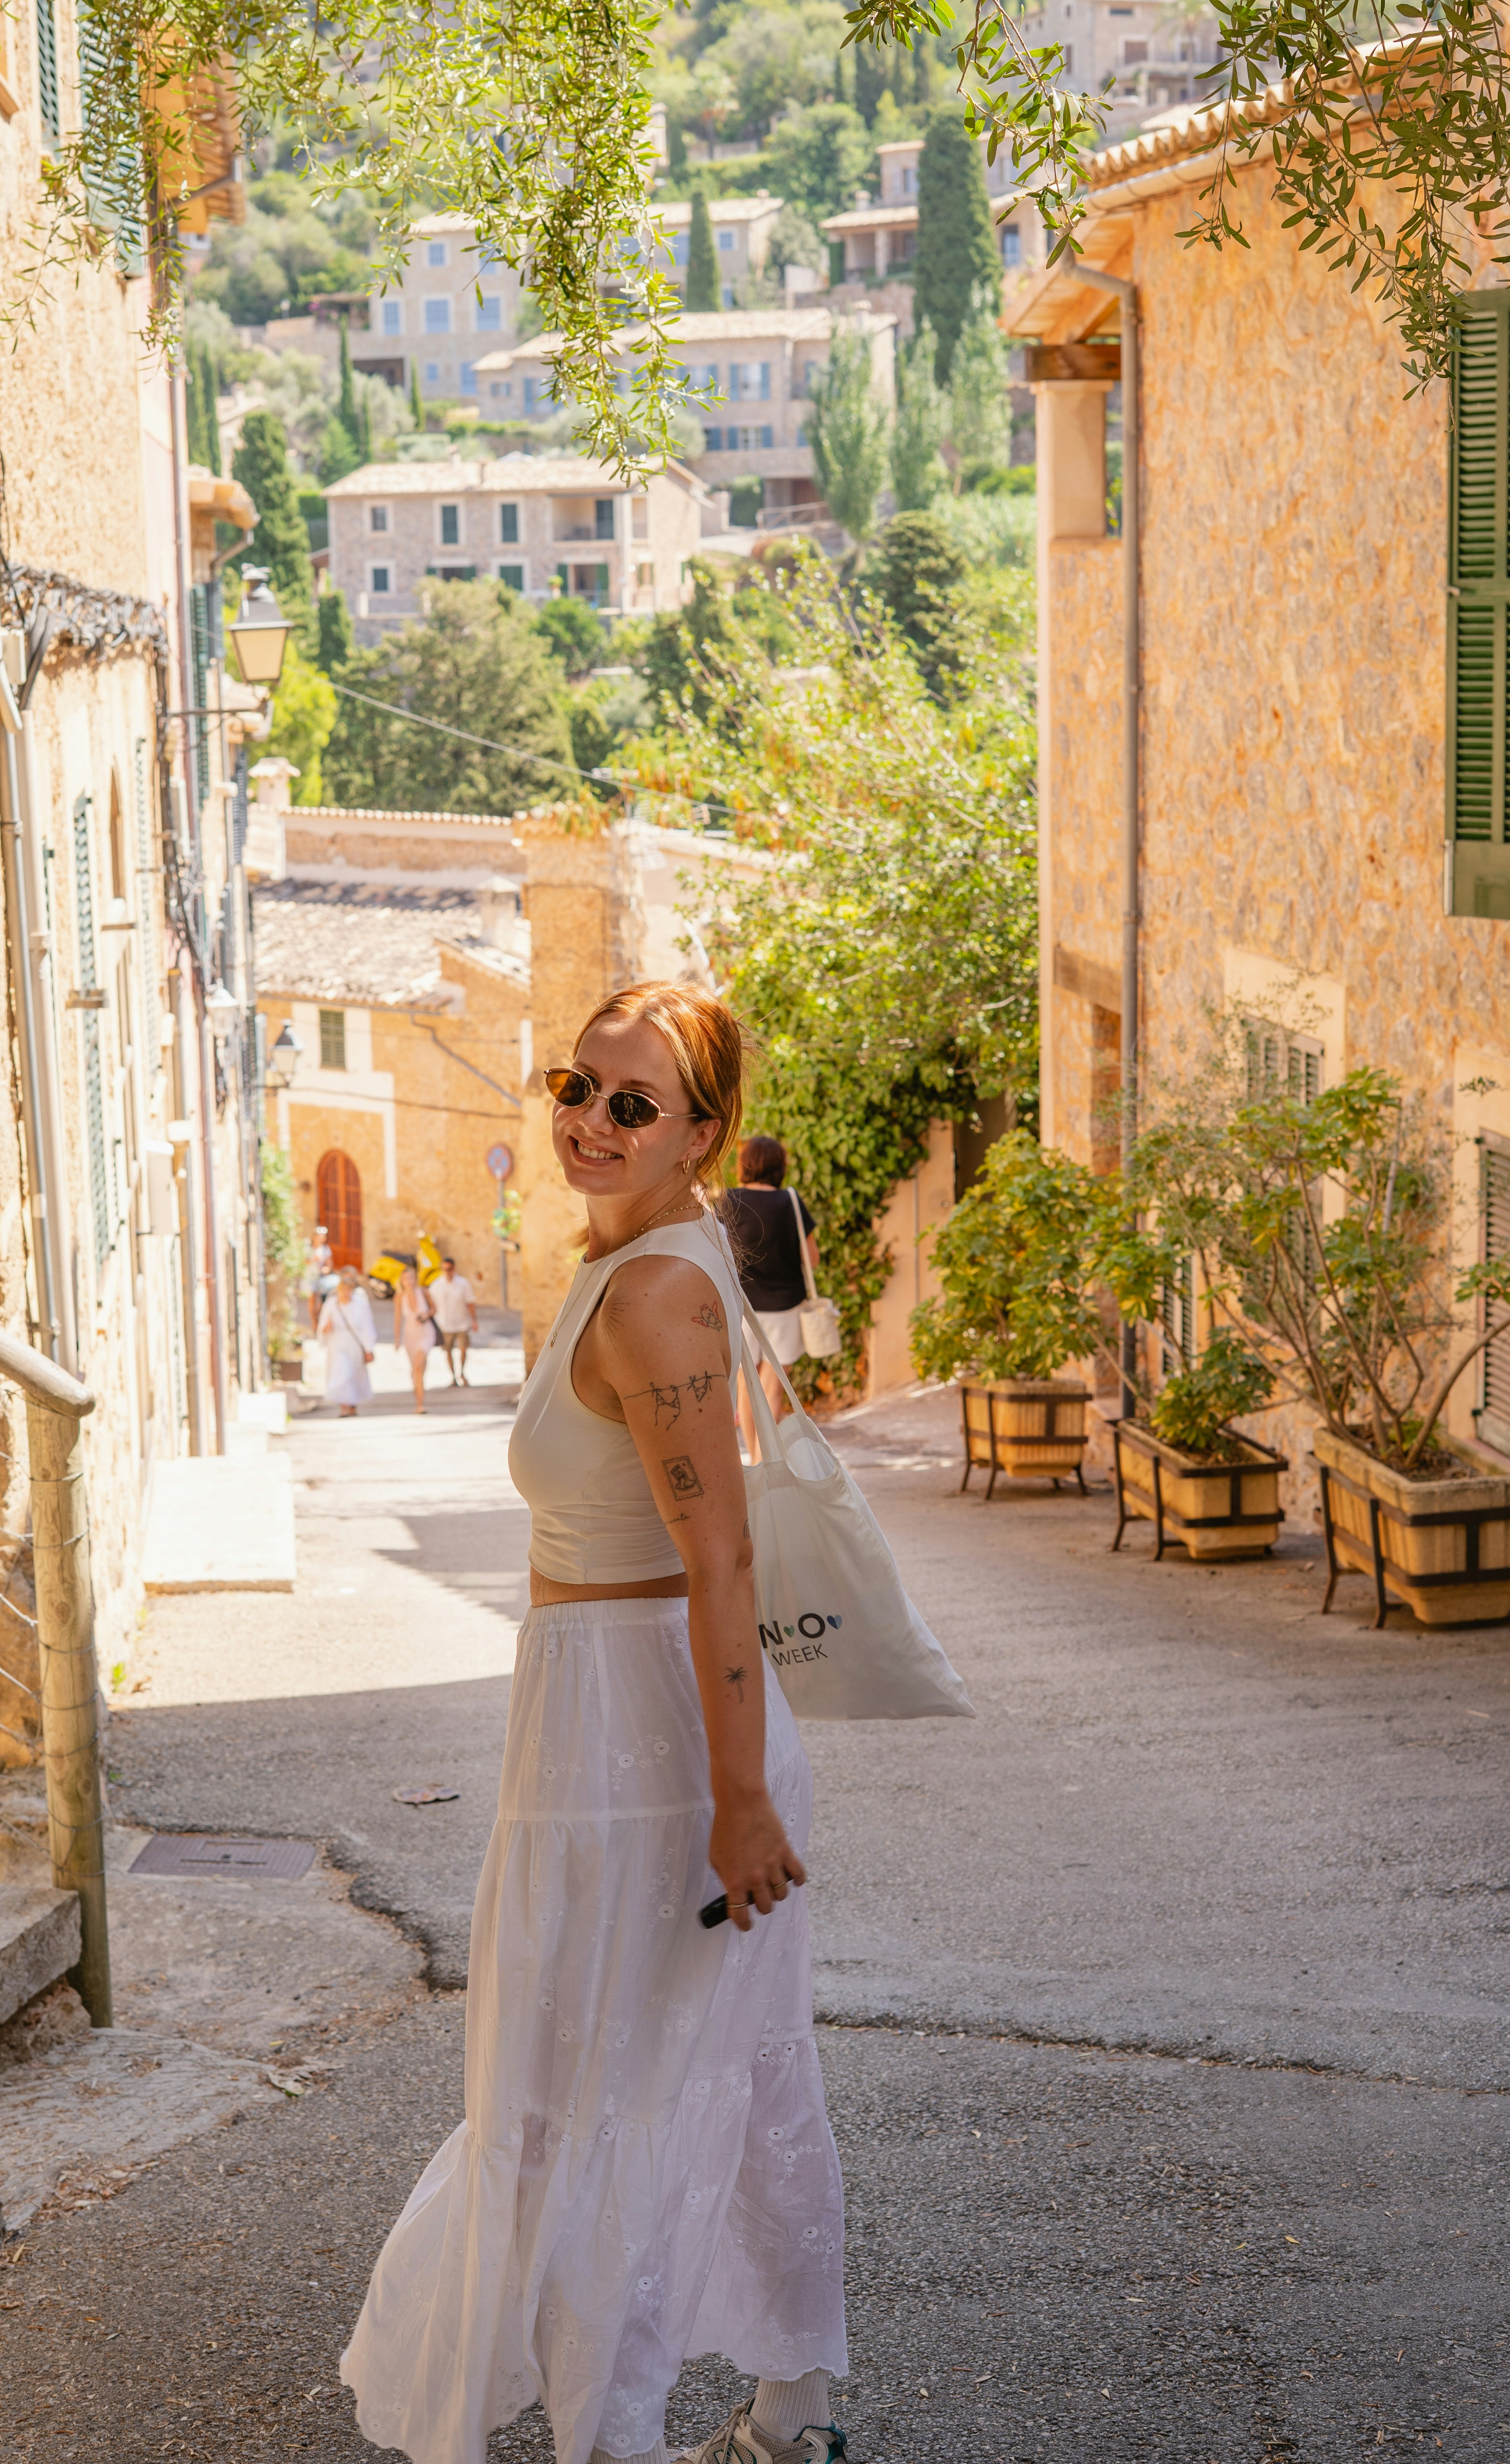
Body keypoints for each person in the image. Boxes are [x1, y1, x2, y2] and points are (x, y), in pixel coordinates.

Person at [341, 981, 847, 2464]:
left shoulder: (657, 1297)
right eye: (579, 1086)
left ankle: (619, 2436)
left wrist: (739, 1801)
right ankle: (793, 2418)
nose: (591, 1120)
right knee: (685, 2083)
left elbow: (725, 1558)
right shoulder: (626, 1265)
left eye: (635, 1103)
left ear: (704, 1132)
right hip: (602, 1736)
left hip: (654, 1755)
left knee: (597, 2103)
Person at [718, 1137, 819, 1466]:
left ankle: (754, 1462)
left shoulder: (729, 1201)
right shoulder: (790, 1201)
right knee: (774, 1387)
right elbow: (812, 1259)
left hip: (743, 1307)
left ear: (745, 1164)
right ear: (779, 1167)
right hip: (785, 1307)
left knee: (747, 1385)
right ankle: (766, 1463)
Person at [318, 1262, 376, 1418]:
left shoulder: (361, 1305)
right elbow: (322, 1326)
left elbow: (367, 1328)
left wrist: (369, 1348)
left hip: (354, 1346)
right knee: (341, 1373)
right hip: (337, 1345)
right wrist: (326, 1329)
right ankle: (344, 1406)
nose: (346, 1293)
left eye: (348, 1290)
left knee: (353, 1375)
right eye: (343, 1289)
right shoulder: (331, 1305)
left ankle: (352, 1405)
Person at [394, 1260, 438, 1415]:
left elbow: (434, 1309)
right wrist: (397, 1340)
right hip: (410, 1336)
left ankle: (421, 1404)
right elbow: (398, 1319)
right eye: (406, 1279)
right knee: (416, 1370)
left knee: (419, 1366)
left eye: (411, 1278)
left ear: (415, 1279)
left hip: (426, 1333)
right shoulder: (399, 1297)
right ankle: (418, 1395)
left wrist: (427, 1315)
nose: (409, 1281)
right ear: (402, 1281)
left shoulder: (424, 1292)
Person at [428, 1252, 478, 1387]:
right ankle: (453, 1377)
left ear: (454, 1269)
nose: (447, 1272)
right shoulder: (437, 1285)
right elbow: (430, 1302)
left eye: (449, 1269)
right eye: (445, 1269)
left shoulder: (463, 1284)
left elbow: (470, 1303)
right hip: (445, 1324)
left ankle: (462, 1372)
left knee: (463, 1349)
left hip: (462, 1323)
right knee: (448, 1351)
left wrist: (474, 1321)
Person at [303, 1224, 335, 1334]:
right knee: (312, 1300)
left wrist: (327, 1269)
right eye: (319, 1237)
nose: (321, 1239)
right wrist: (313, 1259)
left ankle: (316, 1317)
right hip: (309, 1277)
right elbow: (304, 1262)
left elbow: (330, 1264)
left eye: (323, 1237)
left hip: (321, 1278)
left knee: (322, 1301)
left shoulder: (326, 1249)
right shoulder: (307, 1248)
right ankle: (314, 1322)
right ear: (315, 1237)